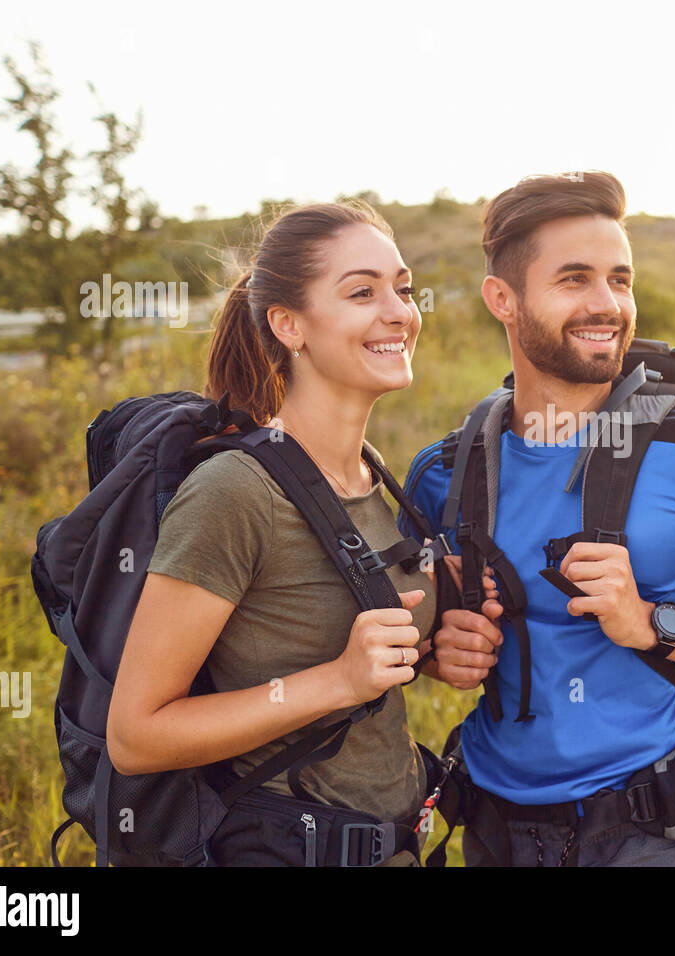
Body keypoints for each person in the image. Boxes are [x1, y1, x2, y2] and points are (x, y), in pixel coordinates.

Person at [405, 172, 675, 866]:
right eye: (575, 279)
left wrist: (653, 622)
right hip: (493, 832)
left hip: (650, 833)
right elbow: (402, 645)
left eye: (621, 279)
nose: (607, 304)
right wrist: (441, 652)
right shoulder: (443, 474)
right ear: (503, 298)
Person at [107, 200, 465, 866]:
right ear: (289, 325)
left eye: (404, 288)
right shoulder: (236, 492)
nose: (400, 311)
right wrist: (339, 681)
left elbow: (339, 641)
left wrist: (446, 652)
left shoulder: (377, 479)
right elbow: (136, 735)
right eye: (362, 292)